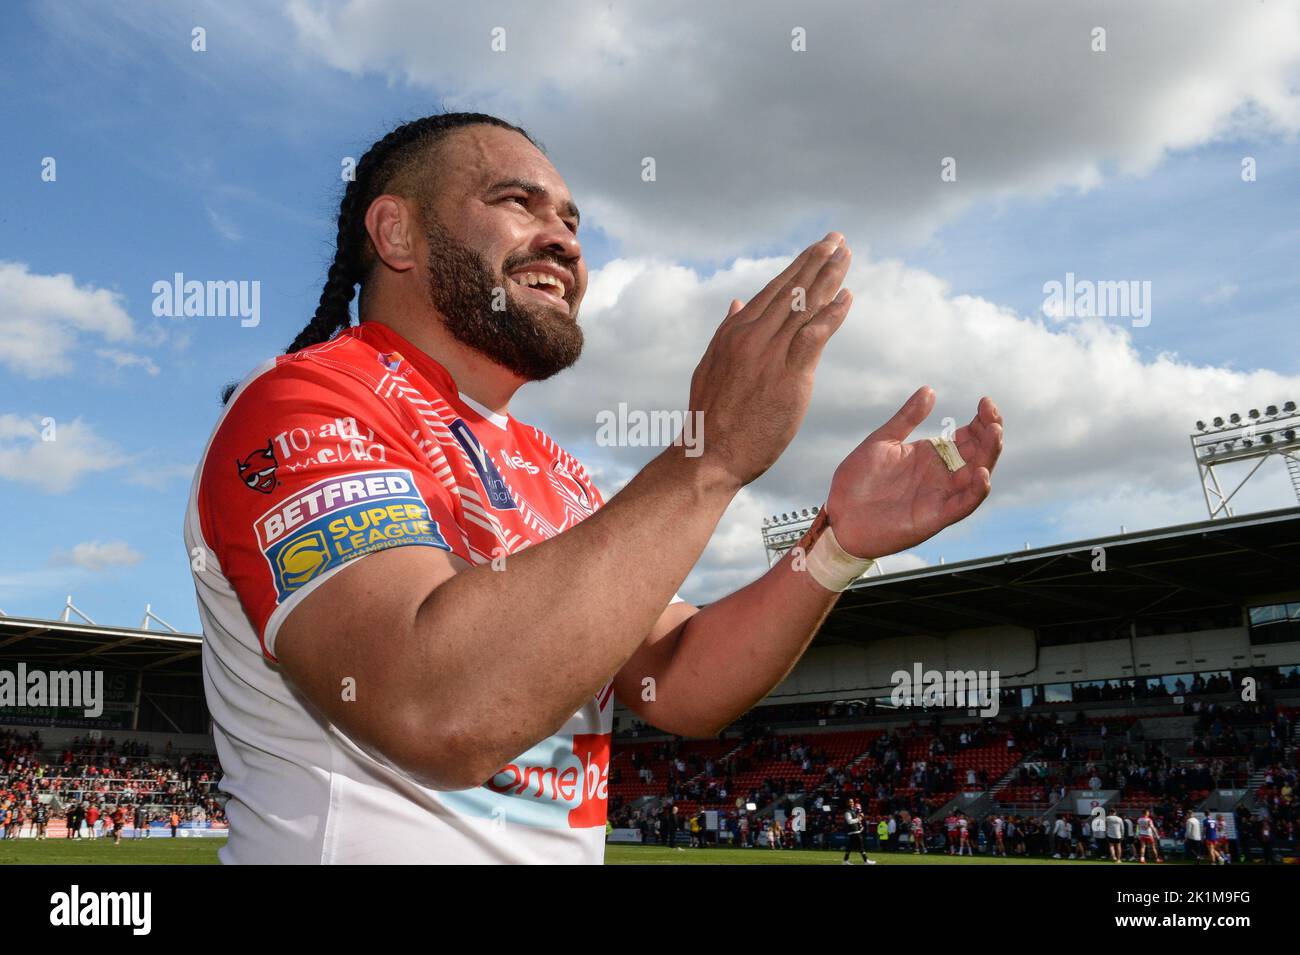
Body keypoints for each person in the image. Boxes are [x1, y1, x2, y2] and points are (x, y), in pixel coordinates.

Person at [186, 111, 1003, 865]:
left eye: (573, 222)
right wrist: (709, 460)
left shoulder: (559, 469)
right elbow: (433, 706)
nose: (565, 241)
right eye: (520, 202)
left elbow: (678, 679)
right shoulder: (304, 401)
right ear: (396, 230)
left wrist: (835, 544)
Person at [843, 799, 876, 865]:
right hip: (854, 831)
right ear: (847, 803)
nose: (852, 803)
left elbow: (857, 819)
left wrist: (860, 826)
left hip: (855, 831)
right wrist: (859, 819)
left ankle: (845, 860)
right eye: (850, 802)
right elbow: (849, 821)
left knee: (850, 847)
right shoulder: (847, 812)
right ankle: (866, 861)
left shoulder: (853, 811)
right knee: (861, 846)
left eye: (852, 802)